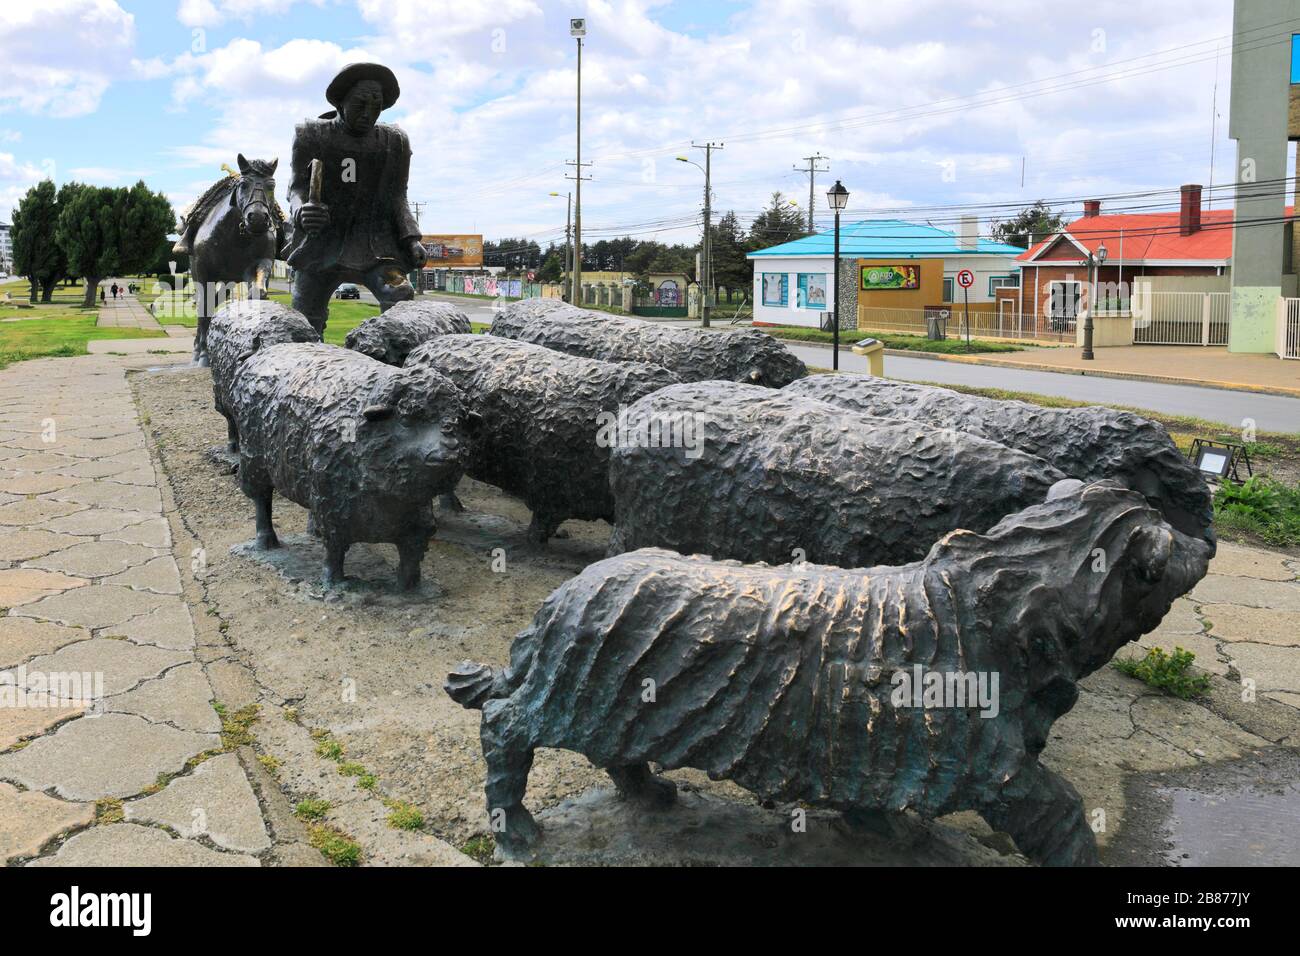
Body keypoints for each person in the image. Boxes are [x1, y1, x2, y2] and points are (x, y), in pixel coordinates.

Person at [283, 62, 426, 334]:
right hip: (321, 245)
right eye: (360, 104)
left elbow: (398, 195)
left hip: (377, 247)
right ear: (341, 101)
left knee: (401, 295)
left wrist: (411, 239)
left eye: (376, 106)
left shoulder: (394, 142)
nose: (368, 113)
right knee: (304, 320)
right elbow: (296, 188)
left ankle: (393, 361)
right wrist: (302, 211)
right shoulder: (311, 135)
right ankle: (305, 370)